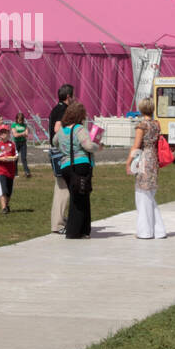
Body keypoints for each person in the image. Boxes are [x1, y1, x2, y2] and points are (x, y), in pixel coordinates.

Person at [54, 100, 99, 238]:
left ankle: (78, 230)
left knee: (75, 196)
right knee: (82, 198)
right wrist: (98, 146)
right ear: (80, 115)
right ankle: (77, 231)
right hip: (80, 165)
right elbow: (88, 146)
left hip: (66, 166)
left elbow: (54, 142)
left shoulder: (62, 131)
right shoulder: (79, 129)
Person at [128, 97, 167, 239]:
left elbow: (136, 146)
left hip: (144, 158)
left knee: (142, 195)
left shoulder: (142, 126)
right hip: (154, 158)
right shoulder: (156, 124)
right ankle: (158, 230)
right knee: (149, 194)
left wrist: (129, 162)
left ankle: (145, 231)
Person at [49, 84, 75, 233]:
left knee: (61, 188)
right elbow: (57, 129)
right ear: (68, 97)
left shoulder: (55, 108)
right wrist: (71, 131)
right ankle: (58, 224)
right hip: (60, 153)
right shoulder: (62, 110)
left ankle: (60, 221)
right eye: (73, 96)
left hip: (57, 152)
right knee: (63, 190)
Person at [0, 125, 17, 214]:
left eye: (4, 132)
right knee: (3, 189)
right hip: (0, 169)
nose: (3, 134)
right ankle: (3, 208)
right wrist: (1, 159)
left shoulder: (12, 144)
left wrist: (13, 158)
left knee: (9, 191)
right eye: (1, 132)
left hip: (10, 170)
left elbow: (15, 156)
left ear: (8, 133)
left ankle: (6, 205)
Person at [12, 112, 32, 177]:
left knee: (24, 158)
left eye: (21, 120)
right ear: (16, 119)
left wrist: (20, 134)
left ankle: (27, 172)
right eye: (19, 120)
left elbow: (26, 134)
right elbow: (15, 135)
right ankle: (15, 173)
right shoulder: (14, 125)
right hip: (16, 143)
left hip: (23, 143)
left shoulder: (25, 125)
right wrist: (22, 133)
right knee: (16, 158)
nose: (20, 121)